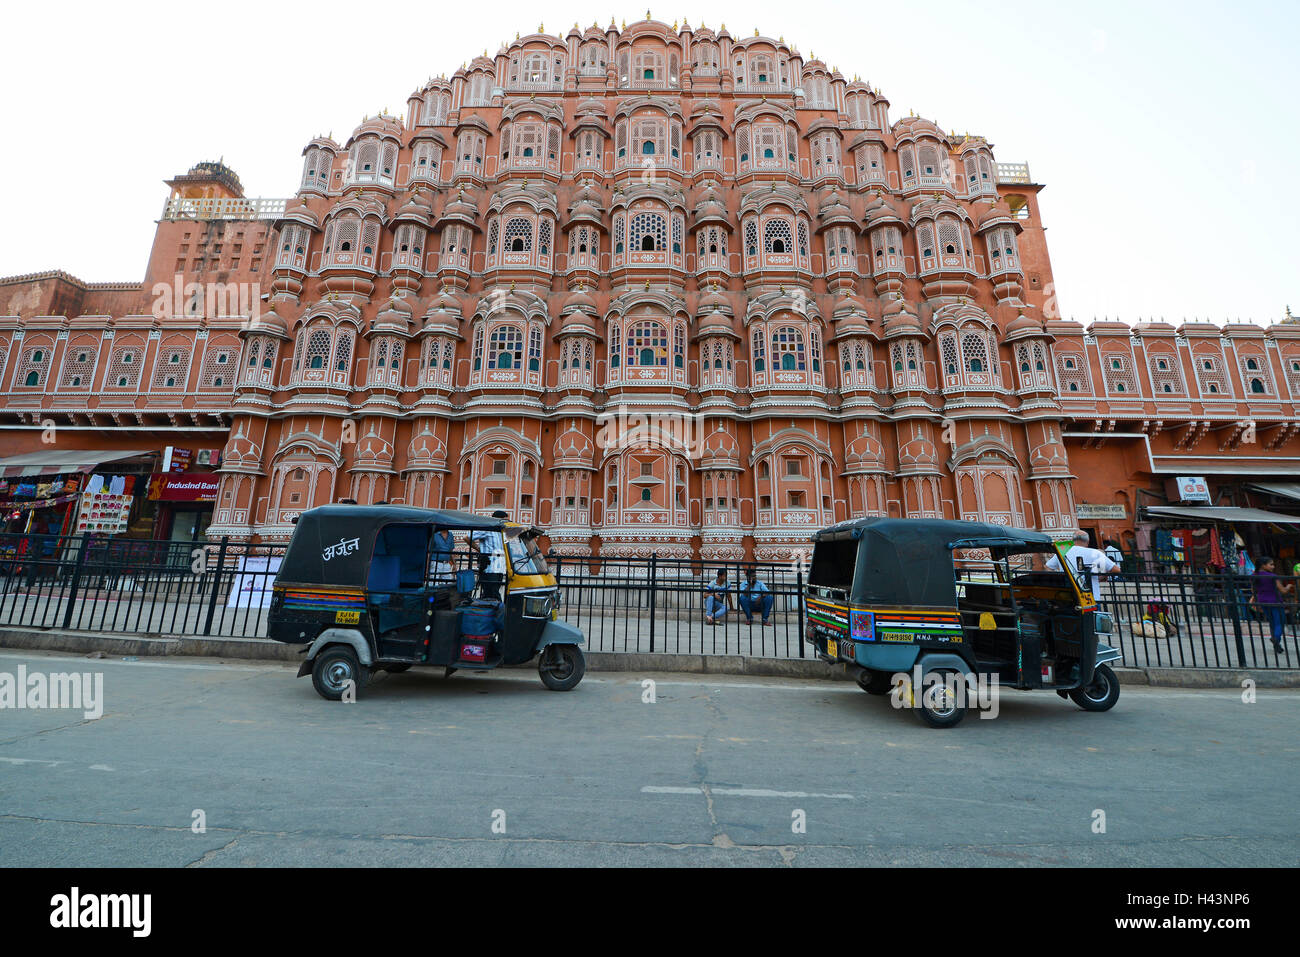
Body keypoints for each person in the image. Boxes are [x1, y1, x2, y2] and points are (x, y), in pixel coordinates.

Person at [1046, 531, 1118, 602]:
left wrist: (1060, 578)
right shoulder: (1095, 553)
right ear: (1088, 541)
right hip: (1090, 598)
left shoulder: (1062, 553)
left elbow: (1047, 568)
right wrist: (1103, 576)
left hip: (1068, 596)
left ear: (1072, 540)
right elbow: (1116, 570)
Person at [1253, 558, 1293, 654]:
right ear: (1263, 565)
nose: (1273, 566)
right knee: (1279, 622)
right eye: (1271, 564)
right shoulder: (1272, 576)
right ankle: (1275, 638)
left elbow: (1253, 590)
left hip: (1263, 602)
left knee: (1272, 622)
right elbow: (1283, 590)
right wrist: (1288, 586)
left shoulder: (1254, 575)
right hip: (1275, 601)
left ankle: (1277, 644)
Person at [470, 511, 509, 600]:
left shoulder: (501, 532)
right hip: (489, 567)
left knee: (492, 591)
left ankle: (488, 609)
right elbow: (467, 537)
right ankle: (497, 610)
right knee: (492, 592)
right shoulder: (487, 529)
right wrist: (479, 549)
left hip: (499, 568)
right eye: (505, 520)